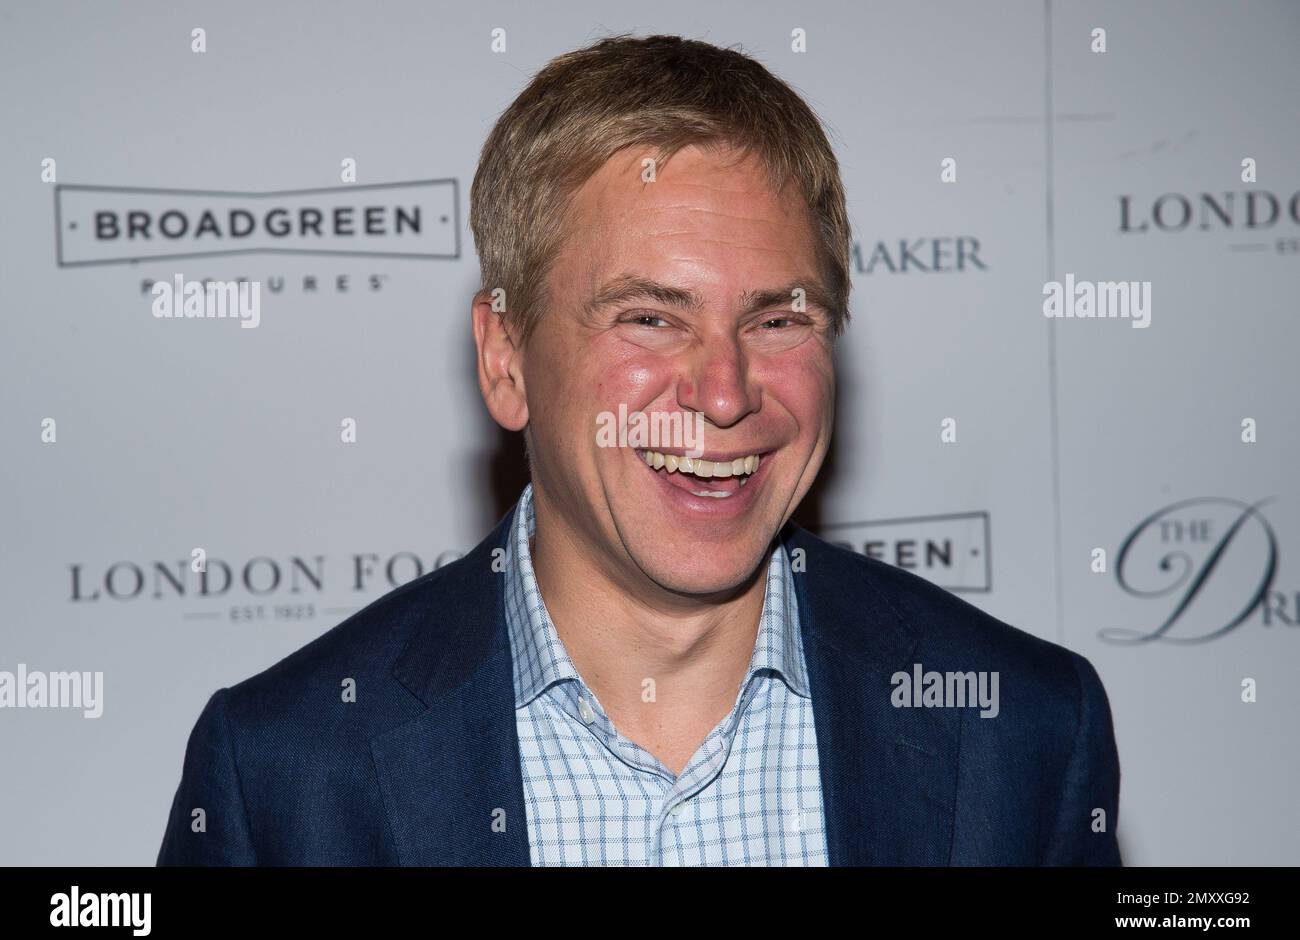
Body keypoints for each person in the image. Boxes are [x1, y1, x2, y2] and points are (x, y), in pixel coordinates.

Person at [158, 34, 1121, 866]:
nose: (727, 392)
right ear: (506, 361)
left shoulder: (1021, 731)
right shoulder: (289, 772)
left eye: (780, 318)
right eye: (651, 317)